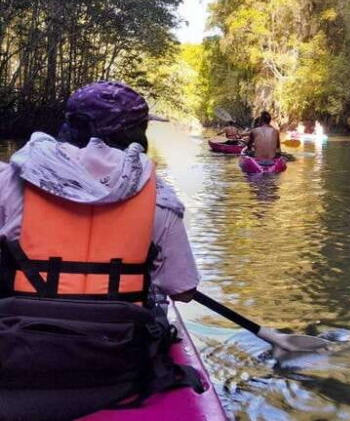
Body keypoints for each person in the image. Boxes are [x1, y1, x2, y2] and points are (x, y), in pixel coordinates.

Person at [0, 80, 202, 419]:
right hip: (115, 365)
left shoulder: (8, 180)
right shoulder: (161, 199)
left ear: (69, 125)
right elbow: (182, 289)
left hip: (16, 352)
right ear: (135, 136)